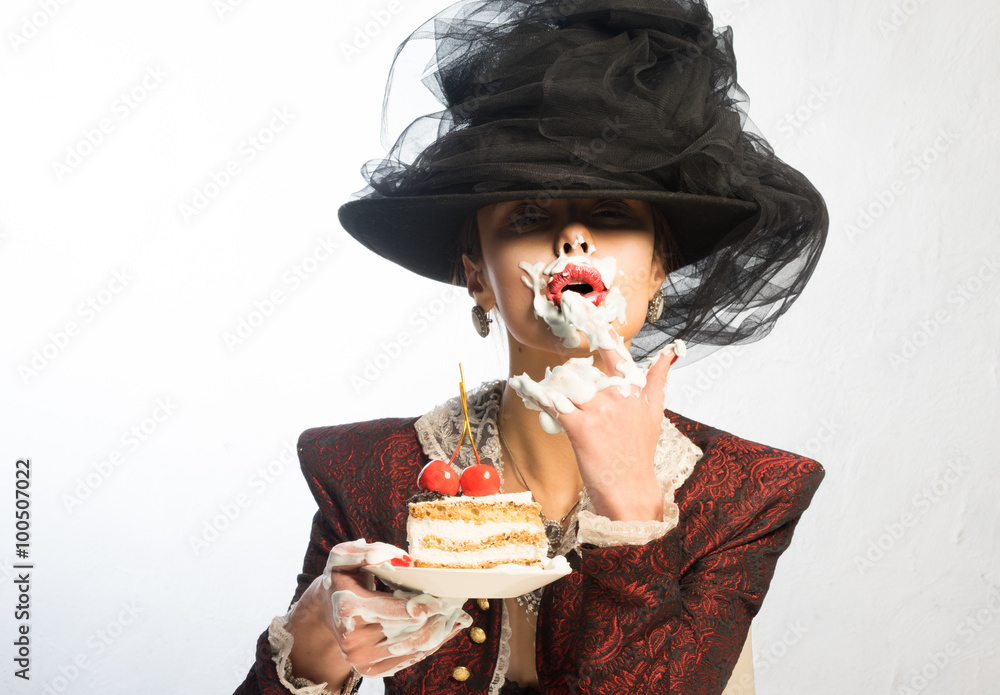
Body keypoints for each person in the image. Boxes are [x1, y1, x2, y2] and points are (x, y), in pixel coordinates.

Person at [234, 0, 829, 693]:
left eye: (610, 213)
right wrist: (313, 639)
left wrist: (631, 510)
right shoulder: (371, 472)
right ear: (476, 274)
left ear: (659, 267)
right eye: (527, 214)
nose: (572, 238)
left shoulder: (744, 494)